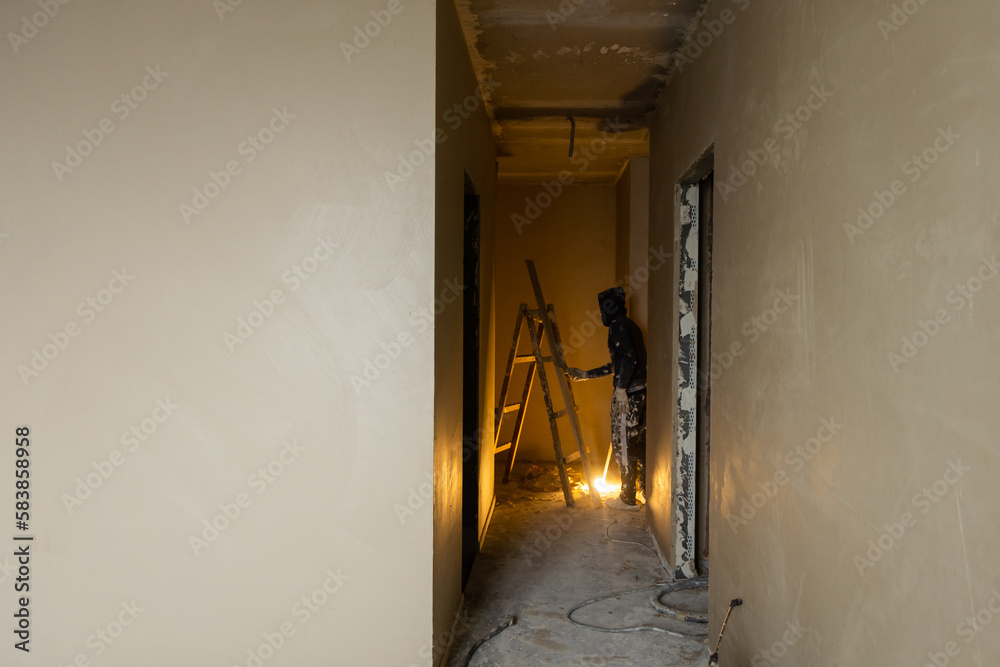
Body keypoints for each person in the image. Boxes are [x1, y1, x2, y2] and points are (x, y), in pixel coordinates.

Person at [567, 287, 647, 510]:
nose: (601, 313)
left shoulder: (618, 326)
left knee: (623, 445)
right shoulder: (629, 325)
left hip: (629, 396)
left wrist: (621, 389)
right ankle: (640, 492)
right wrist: (586, 375)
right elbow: (620, 363)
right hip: (639, 392)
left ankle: (627, 498)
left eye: (602, 308)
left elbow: (629, 358)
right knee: (635, 442)